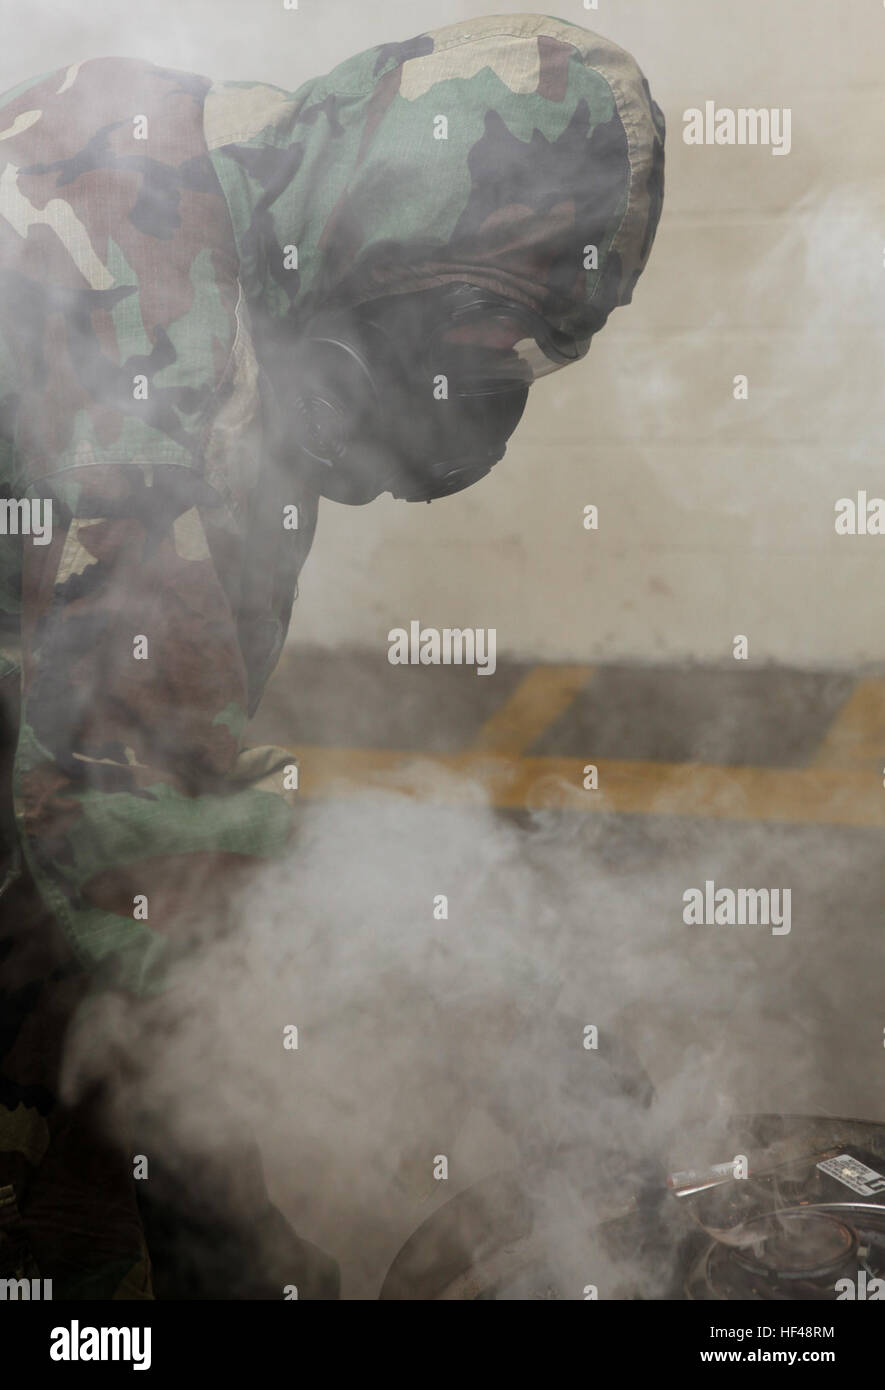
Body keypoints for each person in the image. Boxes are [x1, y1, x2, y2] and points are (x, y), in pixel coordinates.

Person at [0, 13, 664, 1298]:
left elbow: (139, 747)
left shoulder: (248, 199)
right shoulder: (143, 327)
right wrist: (497, 982)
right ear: (395, 242)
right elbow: (121, 824)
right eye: (464, 347)